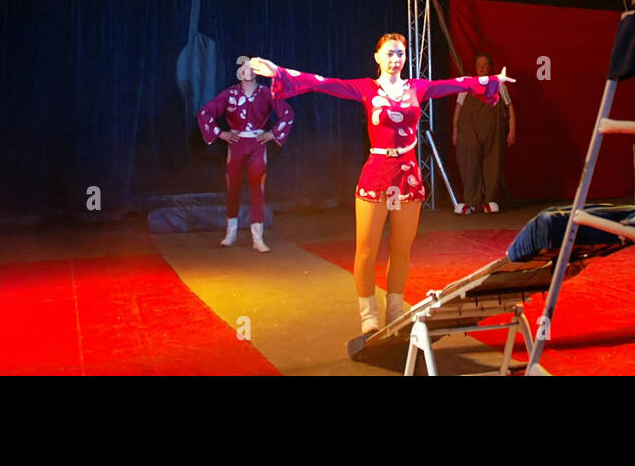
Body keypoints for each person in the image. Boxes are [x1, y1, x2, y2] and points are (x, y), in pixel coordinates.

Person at [249, 35, 514, 335]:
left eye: (400, 53)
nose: (395, 59)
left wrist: (493, 80)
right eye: (389, 53)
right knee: (366, 249)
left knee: (402, 249)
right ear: (377, 57)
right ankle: (368, 315)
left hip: (409, 176)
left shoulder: (418, 87)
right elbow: (322, 82)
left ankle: (396, 310)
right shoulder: (365, 88)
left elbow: (456, 84)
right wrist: (279, 72)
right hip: (377, 174)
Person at [197, 56, 294, 252]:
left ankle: (257, 237)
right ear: (238, 72)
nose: (246, 71)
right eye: (242, 67)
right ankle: (230, 231)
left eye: (250, 68)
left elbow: (287, 114)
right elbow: (205, 113)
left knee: (257, 188)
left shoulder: (267, 93)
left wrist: (272, 134)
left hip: (257, 144)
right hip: (237, 144)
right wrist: (220, 133)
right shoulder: (230, 94)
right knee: (232, 187)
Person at [451, 53, 516, 214]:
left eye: (484, 64)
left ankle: (490, 200)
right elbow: (458, 108)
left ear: (490, 67)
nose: (481, 67)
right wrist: (455, 130)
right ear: (475, 67)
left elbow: (509, 107)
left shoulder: (499, 85)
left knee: (492, 163)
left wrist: (512, 131)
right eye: (478, 64)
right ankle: (472, 201)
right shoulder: (467, 85)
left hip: (493, 132)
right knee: (469, 163)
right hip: (469, 131)